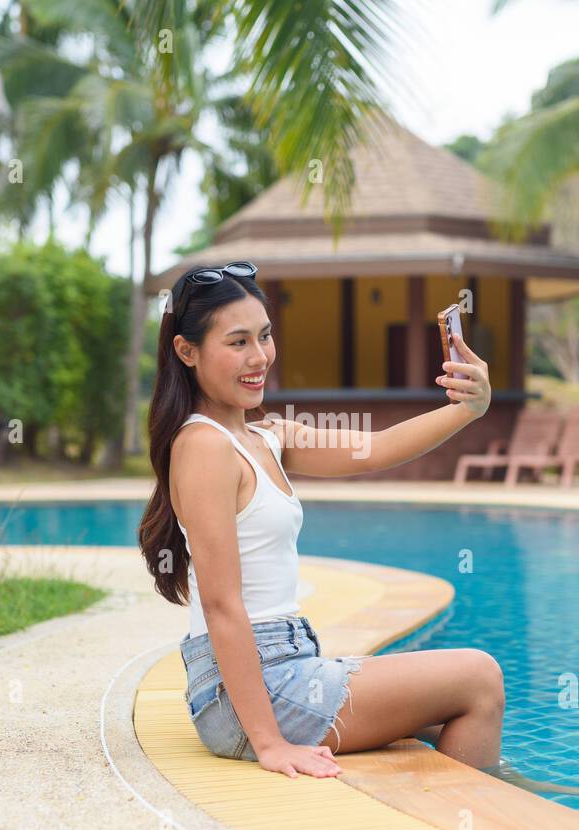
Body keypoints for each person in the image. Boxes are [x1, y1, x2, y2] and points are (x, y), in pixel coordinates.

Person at [138, 261, 511, 782]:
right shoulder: (203, 447)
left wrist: (469, 409)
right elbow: (223, 606)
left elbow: (375, 449)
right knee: (479, 678)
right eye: (238, 342)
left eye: (264, 337)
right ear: (187, 351)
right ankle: (485, 822)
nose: (259, 357)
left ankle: (485, 802)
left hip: (287, 667)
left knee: (441, 713)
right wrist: (269, 743)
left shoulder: (264, 437)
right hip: (252, 688)